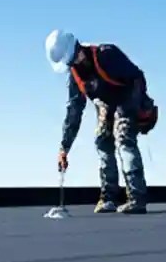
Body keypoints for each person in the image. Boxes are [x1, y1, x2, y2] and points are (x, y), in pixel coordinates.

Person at [45, 29, 156, 214]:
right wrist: (64, 148)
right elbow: (73, 112)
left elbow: (137, 77)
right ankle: (108, 198)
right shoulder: (75, 77)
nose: (77, 62)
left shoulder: (106, 55)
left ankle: (137, 198)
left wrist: (137, 106)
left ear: (78, 47)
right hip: (106, 103)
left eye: (77, 56)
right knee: (102, 140)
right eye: (71, 62)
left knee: (124, 139)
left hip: (128, 96)